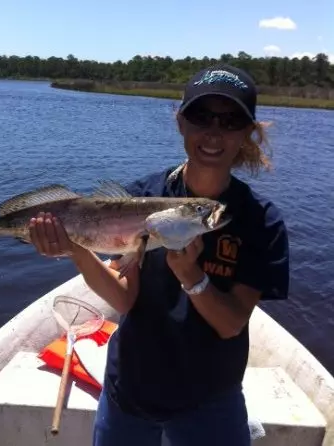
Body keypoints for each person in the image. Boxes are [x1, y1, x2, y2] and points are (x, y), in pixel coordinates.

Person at [28, 63, 290, 446]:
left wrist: (193, 278)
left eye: (230, 120)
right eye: (201, 116)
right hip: (131, 389)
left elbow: (231, 324)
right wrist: (76, 249)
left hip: (210, 399)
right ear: (181, 121)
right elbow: (123, 297)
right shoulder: (140, 197)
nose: (213, 132)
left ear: (246, 133)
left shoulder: (260, 222)